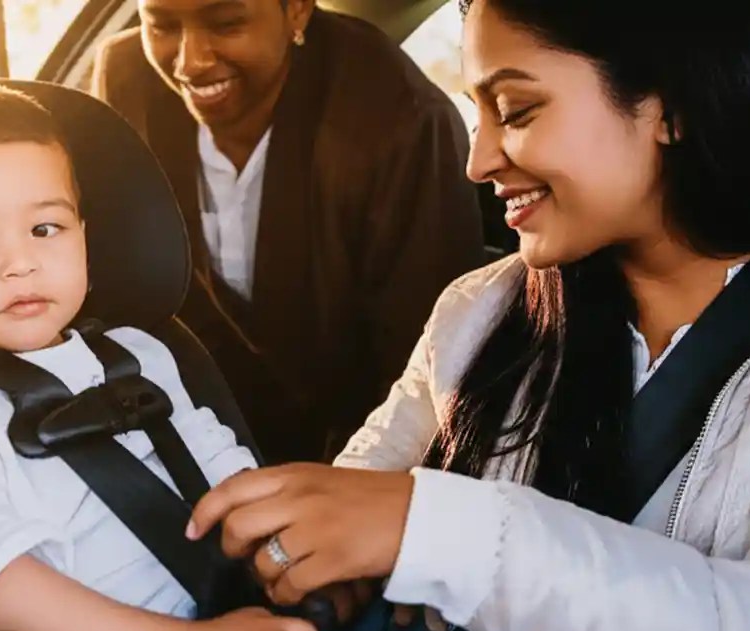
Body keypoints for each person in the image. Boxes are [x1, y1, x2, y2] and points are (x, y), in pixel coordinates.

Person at [184, 0, 750, 631]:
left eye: (516, 110)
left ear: (672, 105)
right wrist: (320, 570)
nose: (478, 161)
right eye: (477, 113)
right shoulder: (482, 311)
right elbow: (362, 492)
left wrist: (449, 537)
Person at [0, 84, 470, 631]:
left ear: (84, 237)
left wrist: (297, 559)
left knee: (462, 627)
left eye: (45, 228)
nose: (20, 262)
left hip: (251, 622)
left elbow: (224, 472)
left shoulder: (140, 353)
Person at [91, 0, 485, 464]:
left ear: (296, 11)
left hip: (354, 450)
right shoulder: (126, 80)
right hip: (189, 436)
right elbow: (123, 293)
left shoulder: (399, 119)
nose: (189, 61)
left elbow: (427, 367)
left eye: (226, 24)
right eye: (161, 25)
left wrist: (336, 494)